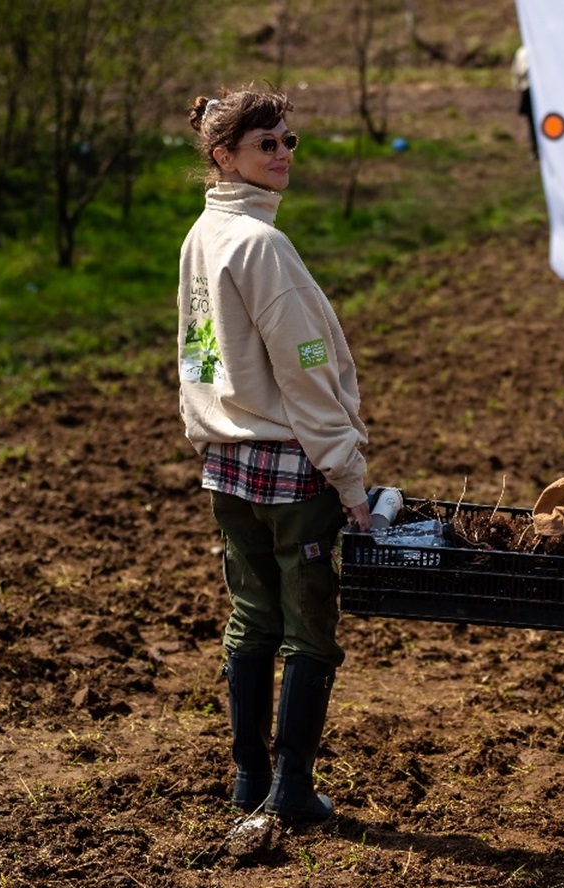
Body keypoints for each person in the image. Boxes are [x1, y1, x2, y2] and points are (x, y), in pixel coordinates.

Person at [178, 85, 372, 822]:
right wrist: (348, 476)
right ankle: (290, 790)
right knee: (308, 630)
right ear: (224, 156)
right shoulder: (263, 246)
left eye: (289, 140)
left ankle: (247, 779)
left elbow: (196, 353)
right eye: (267, 143)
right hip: (292, 471)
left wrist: (205, 427)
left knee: (251, 619)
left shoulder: (203, 234)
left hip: (226, 467)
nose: (284, 153)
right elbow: (308, 370)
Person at [511, 45, 538, 159]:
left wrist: (517, 86)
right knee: (532, 121)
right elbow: (516, 71)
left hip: (535, 90)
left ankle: (536, 149)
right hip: (529, 89)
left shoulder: (524, 51)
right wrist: (517, 86)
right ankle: (535, 148)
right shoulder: (522, 52)